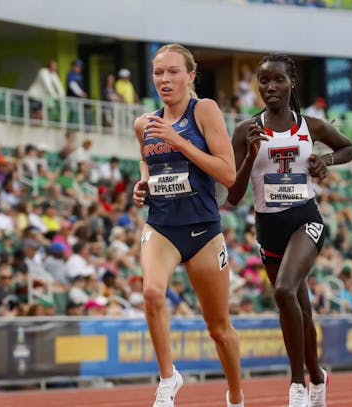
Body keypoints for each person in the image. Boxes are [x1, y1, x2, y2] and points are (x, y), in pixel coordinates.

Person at [227, 53, 352, 407]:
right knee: (301, 309)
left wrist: (324, 160)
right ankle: (317, 377)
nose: (270, 87)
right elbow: (233, 197)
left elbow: (349, 148)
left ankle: (297, 385)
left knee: (284, 291)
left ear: (291, 83)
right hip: (269, 230)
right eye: (263, 80)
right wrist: (252, 155)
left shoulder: (309, 126)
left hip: (306, 220)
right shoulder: (245, 131)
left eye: (278, 80)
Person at [131, 43, 244, 407]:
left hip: (204, 230)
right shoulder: (143, 124)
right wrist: (143, 183)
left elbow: (228, 174)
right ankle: (168, 379)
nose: (164, 79)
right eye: (158, 72)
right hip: (162, 225)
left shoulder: (205, 110)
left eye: (173, 72)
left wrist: (179, 141)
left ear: (190, 76)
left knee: (219, 329)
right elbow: (147, 164)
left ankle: (236, 396)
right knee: (151, 293)